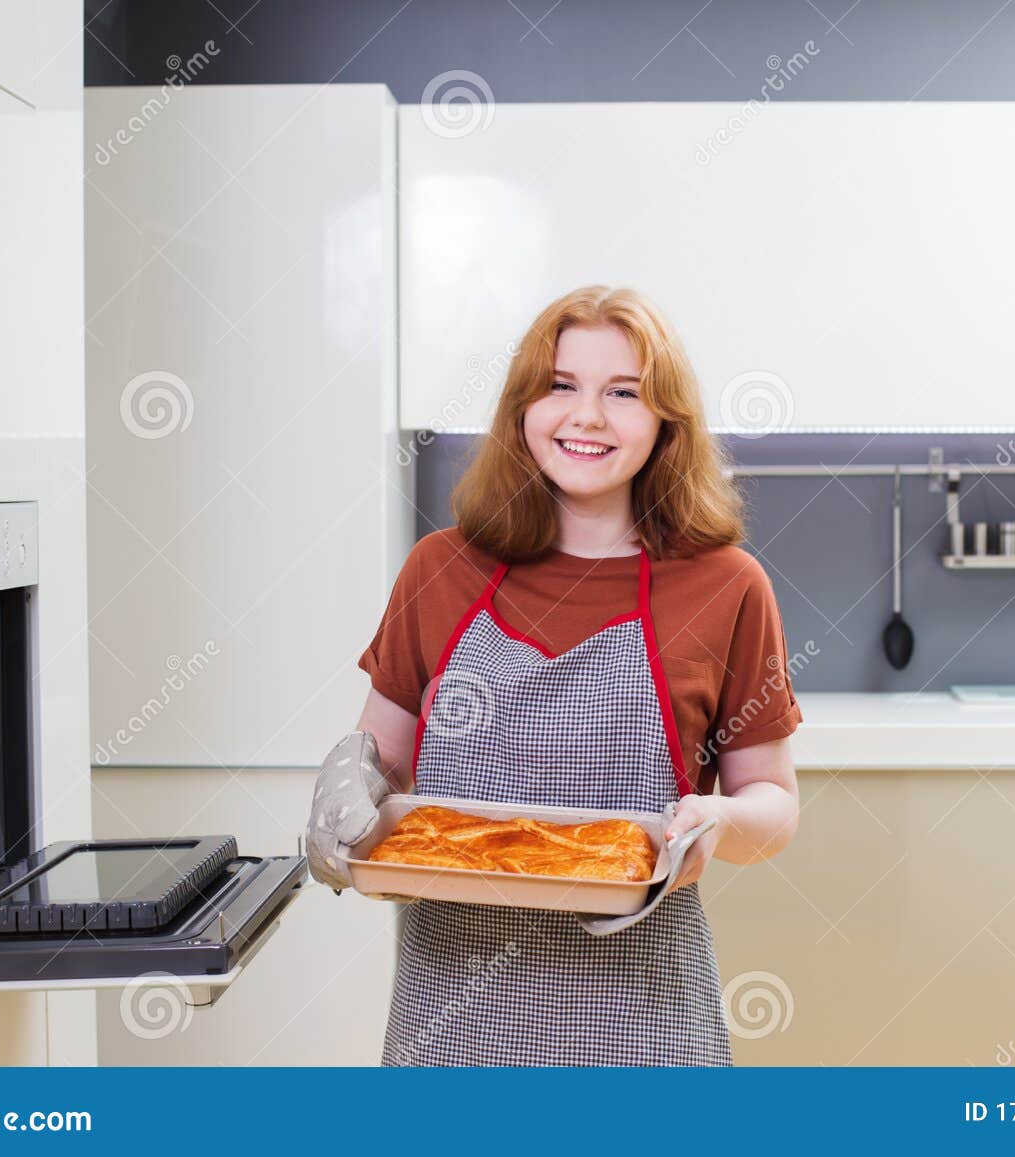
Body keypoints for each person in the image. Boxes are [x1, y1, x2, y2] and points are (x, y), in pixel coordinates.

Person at [320, 285, 801, 1066]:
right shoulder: (438, 569)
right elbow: (383, 769)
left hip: (644, 1023)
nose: (587, 416)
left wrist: (714, 821)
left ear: (665, 422)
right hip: (453, 1026)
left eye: (623, 393)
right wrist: (342, 792)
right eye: (560, 386)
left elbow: (774, 804)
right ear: (522, 409)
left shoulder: (727, 586)